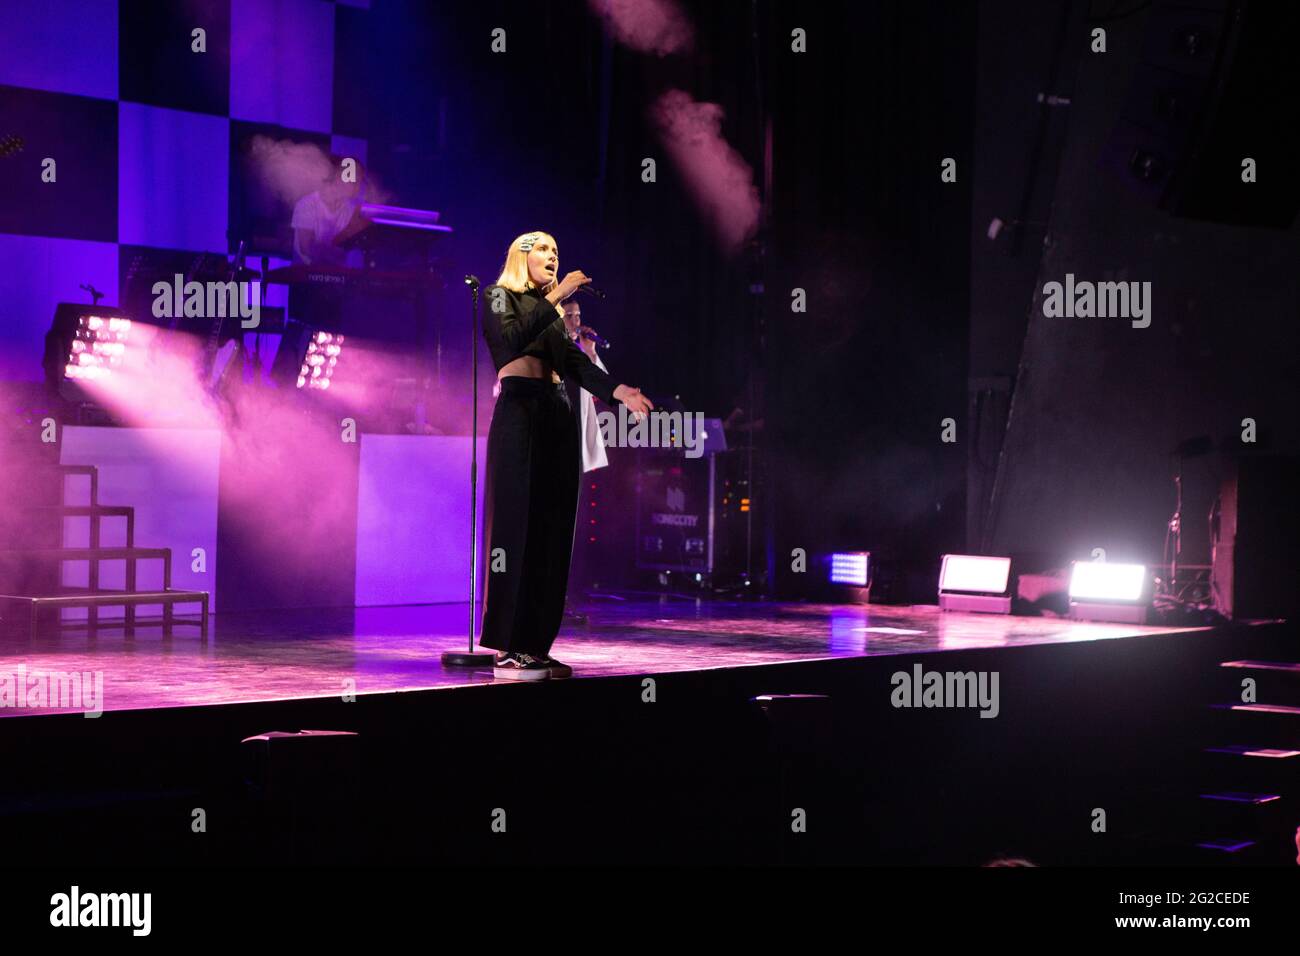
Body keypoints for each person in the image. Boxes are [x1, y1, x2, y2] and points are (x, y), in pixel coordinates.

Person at [479, 231, 653, 680]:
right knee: (519, 528)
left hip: (558, 412)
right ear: (522, 255)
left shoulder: (551, 313)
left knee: (555, 532)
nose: (553, 256)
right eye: (544, 250)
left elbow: (573, 364)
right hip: (520, 411)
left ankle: (537, 643)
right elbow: (513, 339)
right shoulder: (497, 296)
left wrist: (618, 390)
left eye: (557, 251)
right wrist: (558, 296)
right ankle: (510, 646)